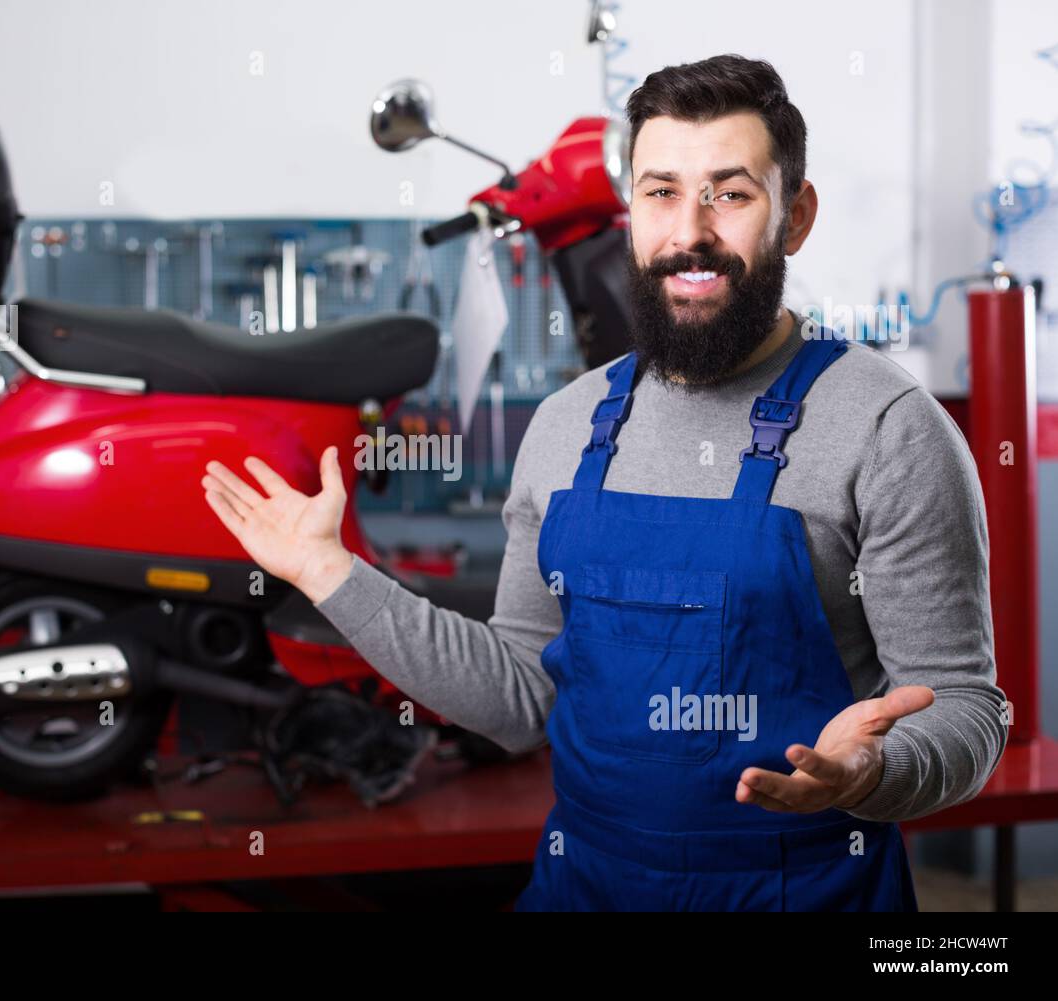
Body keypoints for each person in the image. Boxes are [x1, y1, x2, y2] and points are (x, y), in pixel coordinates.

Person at [202, 53, 1007, 911]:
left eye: (730, 194)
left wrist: (874, 770)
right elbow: (517, 694)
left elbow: (966, 707)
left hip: (802, 888)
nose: (689, 231)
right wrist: (331, 574)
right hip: (587, 885)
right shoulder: (566, 427)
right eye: (661, 192)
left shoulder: (887, 427)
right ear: (631, 213)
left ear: (795, 217)